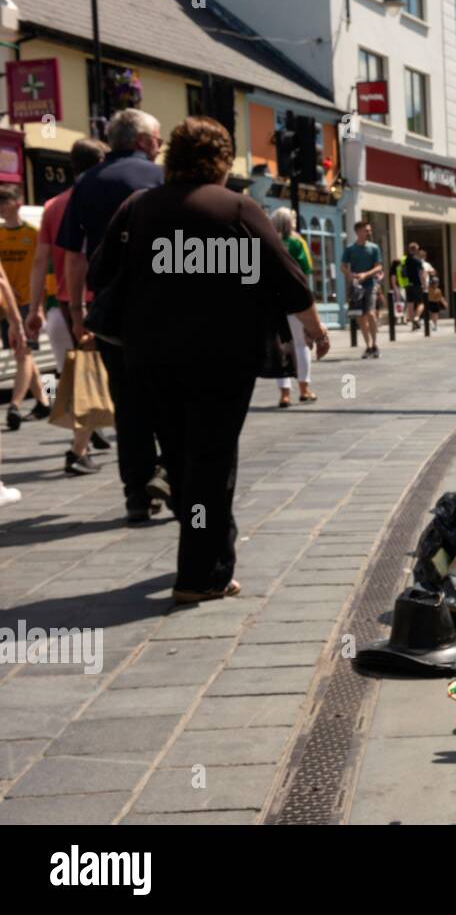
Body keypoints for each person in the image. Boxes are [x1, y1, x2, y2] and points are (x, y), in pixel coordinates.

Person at [90, 116, 329, 604]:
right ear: (221, 160)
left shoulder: (138, 207)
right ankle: (201, 574)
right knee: (211, 459)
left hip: (150, 355)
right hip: (221, 357)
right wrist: (314, 327)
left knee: (181, 457)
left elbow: (100, 271)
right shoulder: (236, 208)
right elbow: (288, 278)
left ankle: (209, 552)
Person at [57, 107, 168, 522]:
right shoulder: (163, 180)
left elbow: (73, 254)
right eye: (157, 140)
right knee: (173, 399)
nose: (159, 148)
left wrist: (77, 310)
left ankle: (137, 496)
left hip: (113, 314)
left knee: (129, 405)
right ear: (142, 141)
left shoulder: (86, 183)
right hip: (166, 309)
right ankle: (171, 474)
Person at [27, 138, 109, 474]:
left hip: (64, 302)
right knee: (91, 377)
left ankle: (94, 433)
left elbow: (40, 261)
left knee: (78, 375)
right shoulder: (101, 199)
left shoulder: (52, 206)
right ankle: (78, 449)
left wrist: (35, 308)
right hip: (96, 300)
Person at [0, 184, 49, 431]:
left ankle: (15, 405)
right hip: (7, 306)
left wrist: (38, 305)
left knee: (23, 354)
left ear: (17, 204)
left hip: (28, 303)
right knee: (24, 354)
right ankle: (43, 402)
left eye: (4, 201)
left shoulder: (33, 233)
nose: (0, 206)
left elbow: (40, 268)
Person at [269, 208, 318, 407]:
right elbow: (306, 271)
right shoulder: (298, 242)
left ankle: (284, 394)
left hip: (273, 301)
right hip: (295, 300)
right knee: (300, 345)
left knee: (282, 348)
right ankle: (304, 389)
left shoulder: (267, 241)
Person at [0, 263, 24, 506]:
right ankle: (45, 400)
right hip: (31, 306)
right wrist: (16, 322)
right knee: (28, 361)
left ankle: (43, 400)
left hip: (41, 306)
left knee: (32, 365)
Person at [343, 221, 384, 358]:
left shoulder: (374, 248)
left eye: (369, 230)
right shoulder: (350, 249)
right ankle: (368, 346)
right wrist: (351, 275)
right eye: (366, 230)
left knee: (371, 314)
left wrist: (365, 274)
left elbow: (379, 267)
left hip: (370, 285)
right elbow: (343, 267)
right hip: (356, 287)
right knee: (360, 317)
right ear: (358, 232)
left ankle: (375, 344)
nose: (369, 232)